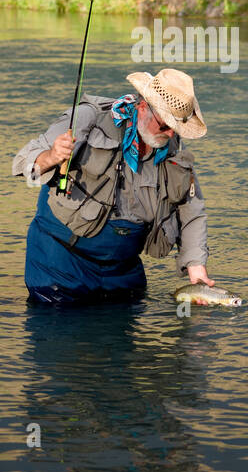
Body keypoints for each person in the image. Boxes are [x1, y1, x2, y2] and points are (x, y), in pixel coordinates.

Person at [12, 68, 215, 306]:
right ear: (143, 108)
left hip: (122, 271)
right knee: (60, 335)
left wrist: (196, 267)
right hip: (61, 261)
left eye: (176, 128)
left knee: (120, 341)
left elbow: (191, 209)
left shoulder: (171, 146)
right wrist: (51, 157)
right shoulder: (89, 117)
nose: (170, 134)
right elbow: (23, 164)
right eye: (164, 125)